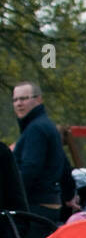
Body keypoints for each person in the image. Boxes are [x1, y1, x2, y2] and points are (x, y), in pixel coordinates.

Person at [12, 81, 69, 222]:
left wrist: (11, 196)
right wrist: (69, 194)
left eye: (24, 98)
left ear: (38, 100)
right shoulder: (46, 125)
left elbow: (29, 169)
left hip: (36, 207)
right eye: (15, 100)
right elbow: (64, 163)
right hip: (50, 205)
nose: (19, 103)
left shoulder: (36, 129)